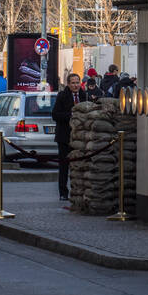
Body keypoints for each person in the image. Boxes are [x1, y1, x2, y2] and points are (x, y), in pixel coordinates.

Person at [52, 73, 86, 202]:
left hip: (80, 137)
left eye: (77, 82)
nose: (75, 85)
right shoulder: (62, 96)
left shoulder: (84, 95)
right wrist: (71, 115)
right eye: (73, 83)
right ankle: (63, 192)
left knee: (79, 165)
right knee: (64, 166)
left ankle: (77, 191)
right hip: (64, 136)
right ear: (68, 84)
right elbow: (55, 115)